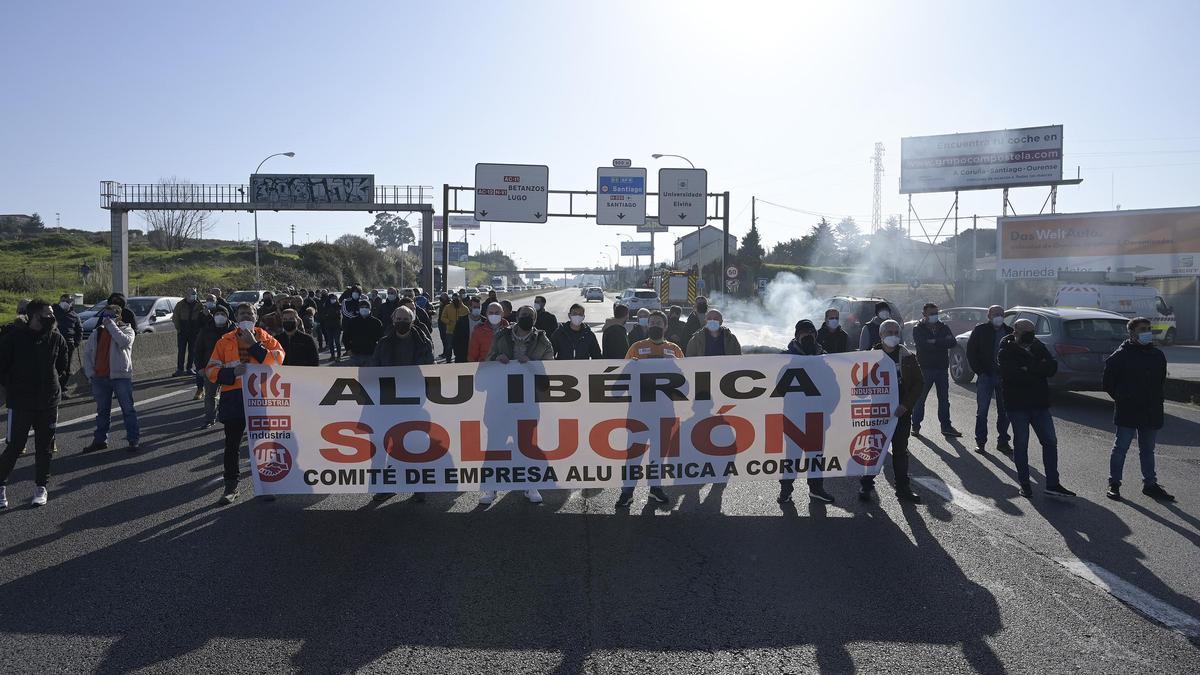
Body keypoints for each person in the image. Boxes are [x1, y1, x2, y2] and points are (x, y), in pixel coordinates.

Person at [206, 303, 285, 504]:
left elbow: (276, 362)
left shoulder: (267, 339)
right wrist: (231, 373)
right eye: (242, 313)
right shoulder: (224, 341)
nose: (246, 316)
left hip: (261, 397)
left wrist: (253, 345)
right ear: (236, 316)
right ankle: (231, 487)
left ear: (256, 316)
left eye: (250, 313)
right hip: (233, 397)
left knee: (264, 443)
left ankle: (267, 484)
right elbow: (211, 370)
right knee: (231, 444)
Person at [0, 300, 68, 507]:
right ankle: (1, 487)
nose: (51, 317)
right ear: (33, 316)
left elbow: (63, 366)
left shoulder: (56, 338)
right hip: (21, 403)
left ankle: (41, 487)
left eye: (52, 314)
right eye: (46, 314)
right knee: (15, 446)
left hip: (48, 401)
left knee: (44, 447)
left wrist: (54, 386)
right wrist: (15, 387)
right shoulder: (13, 338)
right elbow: (2, 368)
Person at [998, 319, 1076, 499]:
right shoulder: (1006, 350)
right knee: (1021, 444)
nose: (1030, 335)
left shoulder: (1038, 345)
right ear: (1016, 331)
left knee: (1050, 441)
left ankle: (1052, 484)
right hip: (1017, 406)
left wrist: (1029, 368)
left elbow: (1051, 368)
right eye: (1026, 331)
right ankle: (1025, 484)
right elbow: (1013, 375)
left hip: (1040, 404)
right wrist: (1035, 370)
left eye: (1032, 331)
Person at [484, 305, 553, 504]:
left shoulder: (543, 341)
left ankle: (530, 485)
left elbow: (549, 371)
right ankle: (490, 487)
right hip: (500, 399)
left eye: (530, 316)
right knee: (495, 444)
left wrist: (531, 363)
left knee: (527, 444)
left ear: (535, 319)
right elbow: (487, 360)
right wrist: (497, 358)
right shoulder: (501, 336)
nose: (526, 319)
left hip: (528, 400)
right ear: (517, 316)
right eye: (523, 315)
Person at [1102, 317, 1174, 501]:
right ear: (1132, 333)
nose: (1147, 331)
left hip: (1151, 410)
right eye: (1143, 329)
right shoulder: (1120, 355)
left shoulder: (1157, 355)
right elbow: (1109, 383)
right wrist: (1125, 397)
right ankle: (1114, 483)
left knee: (1148, 449)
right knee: (1121, 448)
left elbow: (1160, 382)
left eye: (1149, 328)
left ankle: (1150, 484)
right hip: (1129, 410)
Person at [620, 310, 682, 507]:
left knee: (658, 454)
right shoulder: (636, 348)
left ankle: (655, 489)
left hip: (664, 411)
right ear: (648, 325)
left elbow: (686, 380)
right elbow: (623, 377)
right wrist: (632, 366)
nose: (655, 324)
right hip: (638, 411)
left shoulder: (675, 350)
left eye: (659, 322)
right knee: (634, 453)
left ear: (665, 327)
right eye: (652, 321)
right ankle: (627, 492)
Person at [861, 320, 922, 503]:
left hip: (900, 413)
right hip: (876, 414)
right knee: (873, 450)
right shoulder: (869, 357)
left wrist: (906, 405)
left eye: (896, 332)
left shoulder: (908, 356)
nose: (893, 335)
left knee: (900, 452)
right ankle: (866, 485)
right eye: (889, 332)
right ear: (881, 335)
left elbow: (919, 383)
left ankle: (903, 489)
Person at [778, 319, 834, 504]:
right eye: (804, 334)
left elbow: (834, 390)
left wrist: (827, 410)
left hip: (817, 418)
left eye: (811, 334)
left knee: (816, 455)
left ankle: (816, 489)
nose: (808, 338)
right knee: (792, 456)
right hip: (793, 417)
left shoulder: (825, 359)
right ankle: (785, 490)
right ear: (797, 337)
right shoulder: (785, 358)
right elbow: (778, 390)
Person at [80, 305, 141, 453]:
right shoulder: (98, 332)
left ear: (118, 316)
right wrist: (90, 374)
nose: (106, 318)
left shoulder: (127, 330)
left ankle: (133, 440)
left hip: (120, 376)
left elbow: (124, 342)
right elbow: (87, 354)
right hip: (100, 377)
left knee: (128, 410)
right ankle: (100, 440)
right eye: (105, 315)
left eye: (111, 315)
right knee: (102, 411)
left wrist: (112, 326)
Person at [910, 303, 964, 438]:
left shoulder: (943, 326)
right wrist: (941, 342)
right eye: (931, 313)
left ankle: (946, 426)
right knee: (920, 399)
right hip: (925, 368)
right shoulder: (918, 328)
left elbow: (952, 342)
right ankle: (915, 426)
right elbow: (923, 345)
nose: (935, 315)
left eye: (936, 313)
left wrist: (933, 341)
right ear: (924, 315)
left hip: (941, 368)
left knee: (944, 399)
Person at [966, 305, 1013, 454]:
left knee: (1004, 412)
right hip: (986, 376)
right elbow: (971, 352)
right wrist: (979, 371)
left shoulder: (1009, 332)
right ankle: (981, 442)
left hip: (1003, 378)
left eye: (1001, 314)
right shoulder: (980, 330)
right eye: (995, 314)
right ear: (989, 316)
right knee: (982, 411)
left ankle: (1003, 441)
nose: (998, 316)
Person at [194, 304, 234, 429]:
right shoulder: (205, 330)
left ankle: (231, 418)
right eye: (217, 314)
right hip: (211, 368)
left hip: (231, 368)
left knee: (232, 395)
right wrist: (200, 367)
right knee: (210, 395)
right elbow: (198, 350)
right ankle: (209, 419)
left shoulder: (235, 330)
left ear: (227, 316)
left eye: (222, 314)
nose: (220, 317)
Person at [52, 293, 82, 399]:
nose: (67, 303)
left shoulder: (74, 315)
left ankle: (62, 389)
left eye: (69, 301)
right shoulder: (53, 312)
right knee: (53, 367)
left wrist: (76, 343)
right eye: (65, 300)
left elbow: (79, 330)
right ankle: (53, 390)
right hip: (54, 344)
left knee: (66, 369)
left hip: (69, 345)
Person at [171, 287, 205, 377]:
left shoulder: (200, 305)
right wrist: (178, 329)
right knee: (181, 350)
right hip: (183, 330)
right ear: (186, 294)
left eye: (194, 293)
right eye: (191, 293)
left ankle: (189, 368)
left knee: (192, 351)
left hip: (194, 331)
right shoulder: (180, 304)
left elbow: (202, 317)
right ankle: (180, 369)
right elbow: (175, 317)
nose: (193, 295)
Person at [343, 299, 384, 366]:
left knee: (370, 375)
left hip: (371, 354)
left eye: (366, 307)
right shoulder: (352, 321)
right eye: (362, 307)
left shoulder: (376, 322)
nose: (364, 309)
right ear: (359, 309)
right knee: (355, 375)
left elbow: (381, 339)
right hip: (355, 354)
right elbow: (345, 337)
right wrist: (348, 349)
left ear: (370, 309)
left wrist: (378, 351)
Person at [452, 296, 483, 363]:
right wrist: (458, 354)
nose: (477, 309)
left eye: (478, 307)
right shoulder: (461, 322)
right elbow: (455, 340)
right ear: (470, 307)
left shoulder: (485, 321)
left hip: (481, 357)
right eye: (475, 307)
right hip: (464, 356)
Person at [440, 294, 470, 363]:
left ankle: (459, 359)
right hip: (450, 331)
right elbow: (442, 318)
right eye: (454, 299)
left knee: (460, 347)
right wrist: (449, 322)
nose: (455, 300)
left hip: (461, 333)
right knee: (449, 347)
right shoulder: (447, 307)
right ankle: (448, 360)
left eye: (457, 299)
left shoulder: (465, 309)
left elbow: (468, 319)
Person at [319, 292, 344, 361]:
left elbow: (338, 316)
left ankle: (339, 356)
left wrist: (329, 314)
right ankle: (332, 355)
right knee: (330, 342)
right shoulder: (325, 306)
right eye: (332, 298)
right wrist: (330, 314)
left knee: (337, 341)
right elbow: (323, 316)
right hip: (328, 326)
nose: (333, 299)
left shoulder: (339, 306)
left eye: (334, 298)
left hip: (337, 326)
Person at [435, 292, 452, 359]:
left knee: (446, 340)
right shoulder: (442, 304)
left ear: (445, 297)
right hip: (441, 324)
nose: (441, 299)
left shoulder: (448, 305)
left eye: (442, 298)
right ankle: (445, 352)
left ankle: (447, 354)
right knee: (443, 339)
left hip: (445, 325)